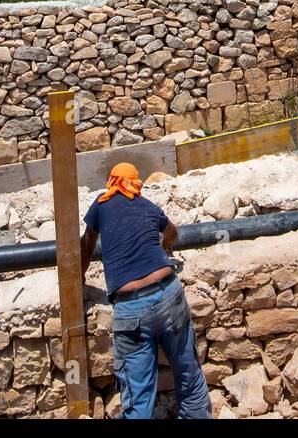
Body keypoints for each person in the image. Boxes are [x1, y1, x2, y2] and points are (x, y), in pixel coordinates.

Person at [80, 162, 211, 419]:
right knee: (188, 375)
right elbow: (173, 232)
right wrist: (166, 246)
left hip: (131, 307)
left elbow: (86, 245)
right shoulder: (146, 205)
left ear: (111, 182)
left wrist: (78, 279)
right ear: (136, 183)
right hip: (169, 293)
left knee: (138, 395)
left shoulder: (101, 203)